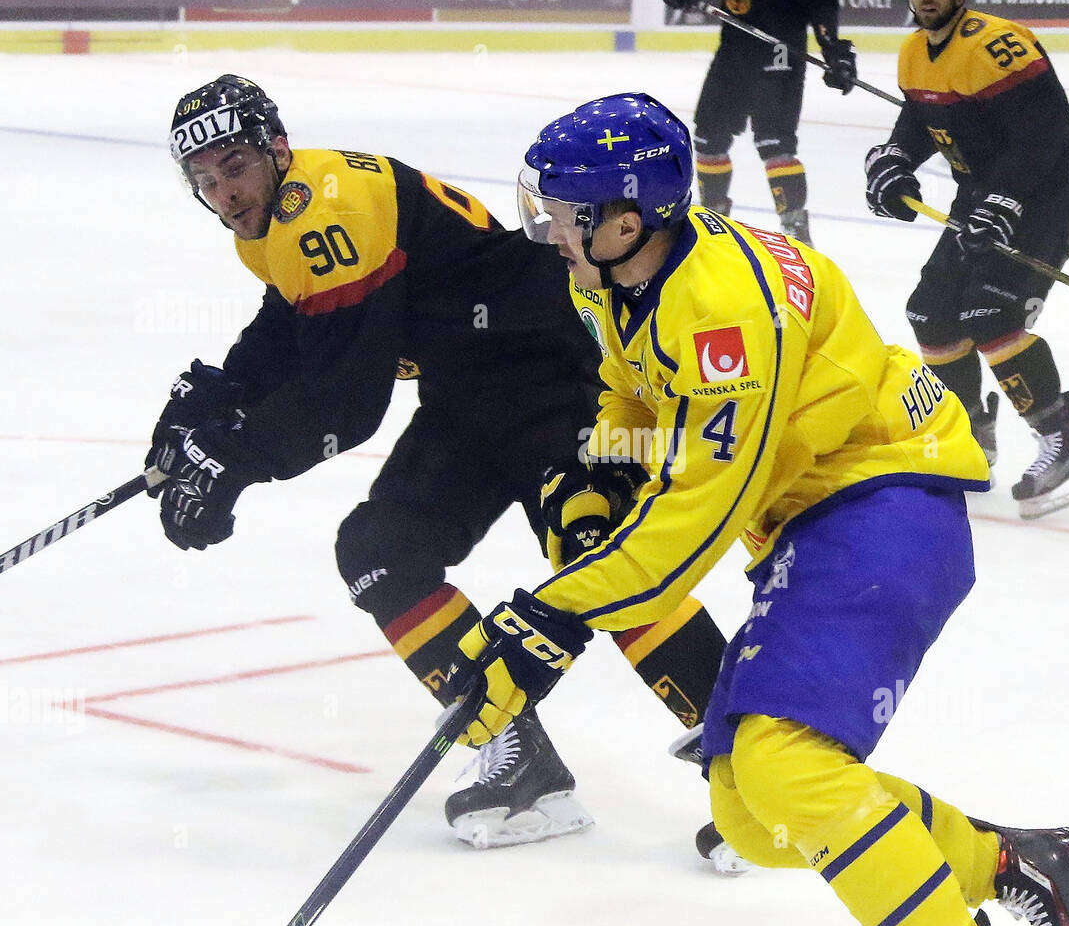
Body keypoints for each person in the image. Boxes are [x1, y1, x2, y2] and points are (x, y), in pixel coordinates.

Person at [449, 91, 1069, 926]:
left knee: (779, 761)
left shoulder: (725, 314)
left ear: (625, 220)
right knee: (751, 810)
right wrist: (601, 468)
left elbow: (693, 522)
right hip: (823, 514)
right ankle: (1029, 863)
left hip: (888, 497)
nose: (545, 225)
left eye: (561, 211)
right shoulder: (614, 276)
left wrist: (553, 614)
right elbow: (634, 388)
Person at [152, 75, 733, 857]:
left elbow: (343, 404)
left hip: (550, 372)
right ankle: (516, 755)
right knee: (379, 551)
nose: (225, 192)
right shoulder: (276, 221)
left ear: (276, 148)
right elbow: (292, 320)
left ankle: (754, 764)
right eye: (208, 179)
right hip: (466, 392)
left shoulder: (324, 206)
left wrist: (234, 456)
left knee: (593, 552)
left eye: (236, 167)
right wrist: (217, 398)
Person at [863, 0, 1069, 519]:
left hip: (1045, 198)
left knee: (991, 315)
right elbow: (920, 120)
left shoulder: (999, 44)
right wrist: (895, 160)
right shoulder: (912, 53)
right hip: (983, 197)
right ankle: (967, 436)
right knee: (931, 314)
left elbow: (1044, 136)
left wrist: (1005, 201)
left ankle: (1065, 440)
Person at [660, 0, 856, 246]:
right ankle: (715, 220)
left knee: (774, 143)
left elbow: (820, 2)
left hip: (779, 53)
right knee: (709, 137)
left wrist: (835, 50)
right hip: (734, 50)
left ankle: (795, 226)